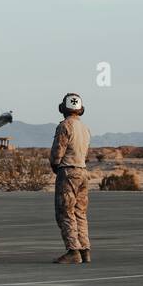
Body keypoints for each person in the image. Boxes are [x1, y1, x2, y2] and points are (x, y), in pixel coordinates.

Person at [49, 92, 91, 264]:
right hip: (83, 172)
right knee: (80, 212)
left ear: (62, 108)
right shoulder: (85, 129)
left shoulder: (64, 126)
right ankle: (85, 249)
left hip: (67, 172)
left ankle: (73, 251)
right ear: (81, 109)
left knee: (65, 212)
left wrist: (56, 166)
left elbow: (57, 154)